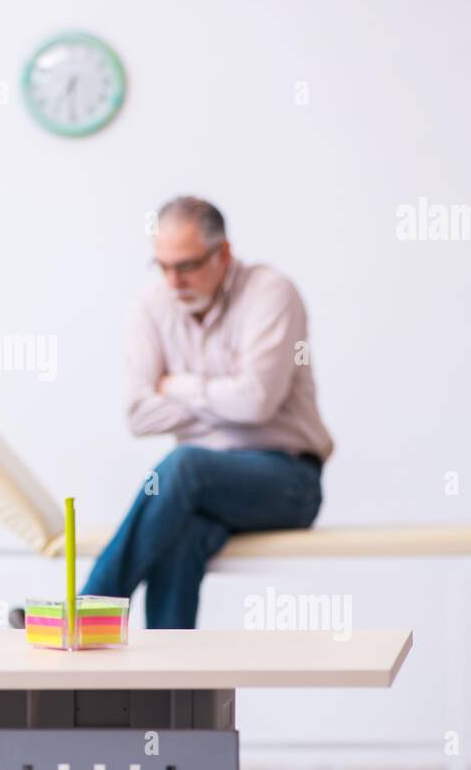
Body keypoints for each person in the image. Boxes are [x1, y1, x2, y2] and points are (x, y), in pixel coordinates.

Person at [81, 196, 332, 628]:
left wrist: (175, 386)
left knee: (184, 466)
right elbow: (138, 415)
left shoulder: (271, 293)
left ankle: (87, 612)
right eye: (162, 266)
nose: (173, 280)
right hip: (198, 493)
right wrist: (226, 401)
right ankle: (168, 687)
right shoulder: (150, 305)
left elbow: (256, 402)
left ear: (224, 254)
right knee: (180, 536)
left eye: (187, 265)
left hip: (288, 481)